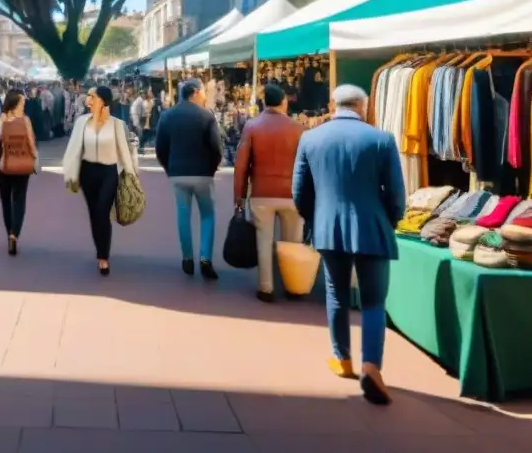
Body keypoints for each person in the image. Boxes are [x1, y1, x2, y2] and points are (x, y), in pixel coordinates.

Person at [292, 84, 405, 406]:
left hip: (328, 228)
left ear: (332, 104)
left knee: (335, 293)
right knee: (373, 301)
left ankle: (342, 359)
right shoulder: (381, 139)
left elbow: (299, 190)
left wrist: (314, 219)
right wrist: (391, 220)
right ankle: (371, 365)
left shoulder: (310, 138)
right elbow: (396, 192)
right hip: (372, 227)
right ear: (363, 106)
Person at [234, 83, 305, 303]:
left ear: (264, 103)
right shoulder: (298, 128)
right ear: (284, 101)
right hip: (293, 194)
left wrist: (239, 195)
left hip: (261, 193)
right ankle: (293, 285)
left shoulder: (252, 127)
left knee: (263, 241)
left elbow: (241, 165)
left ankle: (266, 287)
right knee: (293, 242)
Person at [61, 85, 137, 276]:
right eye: (88, 96)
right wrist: (70, 173)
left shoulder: (117, 124)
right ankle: (99, 250)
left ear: (103, 100)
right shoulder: (81, 122)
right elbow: (73, 148)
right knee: (94, 214)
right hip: (88, 171)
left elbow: (124, 151)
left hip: (108, 172)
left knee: (103, 211)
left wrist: (131, 175)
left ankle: (104, 256)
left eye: (92, 96)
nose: (89, 99)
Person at [154, 78, 223, 279]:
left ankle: (187, 258)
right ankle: (205, 259)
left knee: (183, 215)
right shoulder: (206, 116)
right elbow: (216, 148)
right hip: (203, 174)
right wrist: (211, 168)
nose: (204, 95)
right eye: (203, 91)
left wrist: (169, 168)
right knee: (208, 215)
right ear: (194, 92)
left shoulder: (167, 116)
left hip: (178, 173)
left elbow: (160, 148)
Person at [0, 89, 37, 255]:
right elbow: (31, 141)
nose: (24, 105)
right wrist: (35, 158)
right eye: (22, 102)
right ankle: (15, 234)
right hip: (22, 161)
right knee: (19, 199)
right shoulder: (25, 120)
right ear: (15, 103)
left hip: (3, 162)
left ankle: (9, 231)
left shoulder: (1, 119)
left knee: (5, 200)